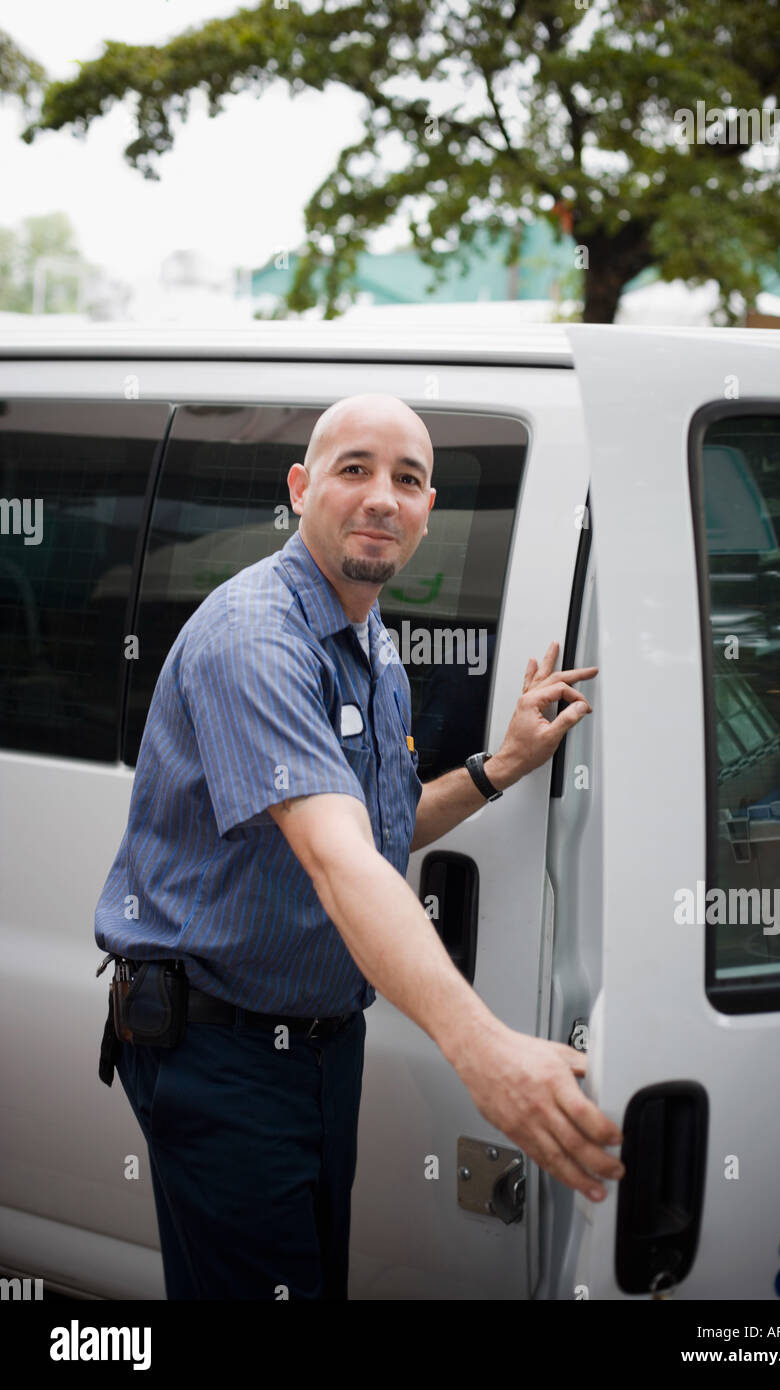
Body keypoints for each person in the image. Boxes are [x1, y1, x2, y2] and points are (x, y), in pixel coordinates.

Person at [94, 392, 624, 1300]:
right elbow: (339, 860)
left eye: (408, 480)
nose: (383, 496)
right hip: (221, 1060)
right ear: (301, 488)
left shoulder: (369, 640)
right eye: (355, 470)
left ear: (427, 513)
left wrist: (500, 765)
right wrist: (484, 1050)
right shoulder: (255, 637)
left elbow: (378, 828)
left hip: (318, 1051)